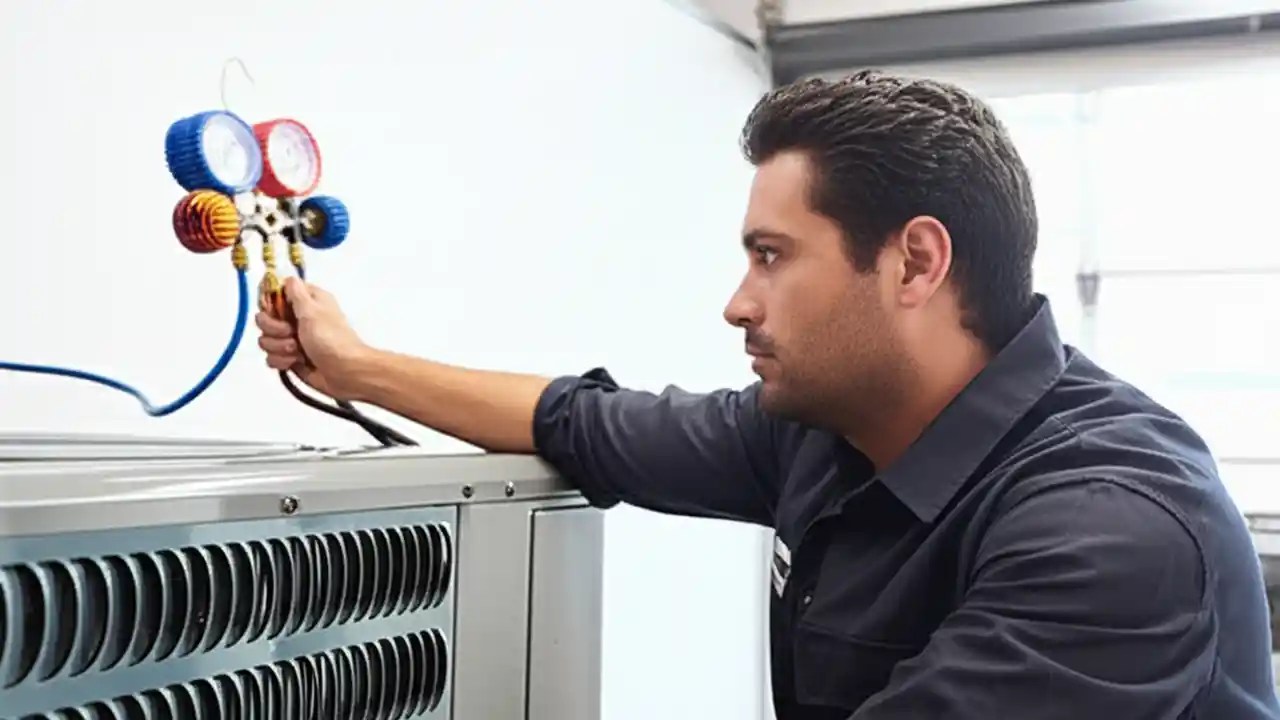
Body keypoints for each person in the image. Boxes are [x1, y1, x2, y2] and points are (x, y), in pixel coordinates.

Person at [256, 70, 1280, 718]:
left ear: (914, 262)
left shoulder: (1110, 534)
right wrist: (351, 365)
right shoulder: (822, 431)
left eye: (769, 256)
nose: (735, 305)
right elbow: (583, 424)